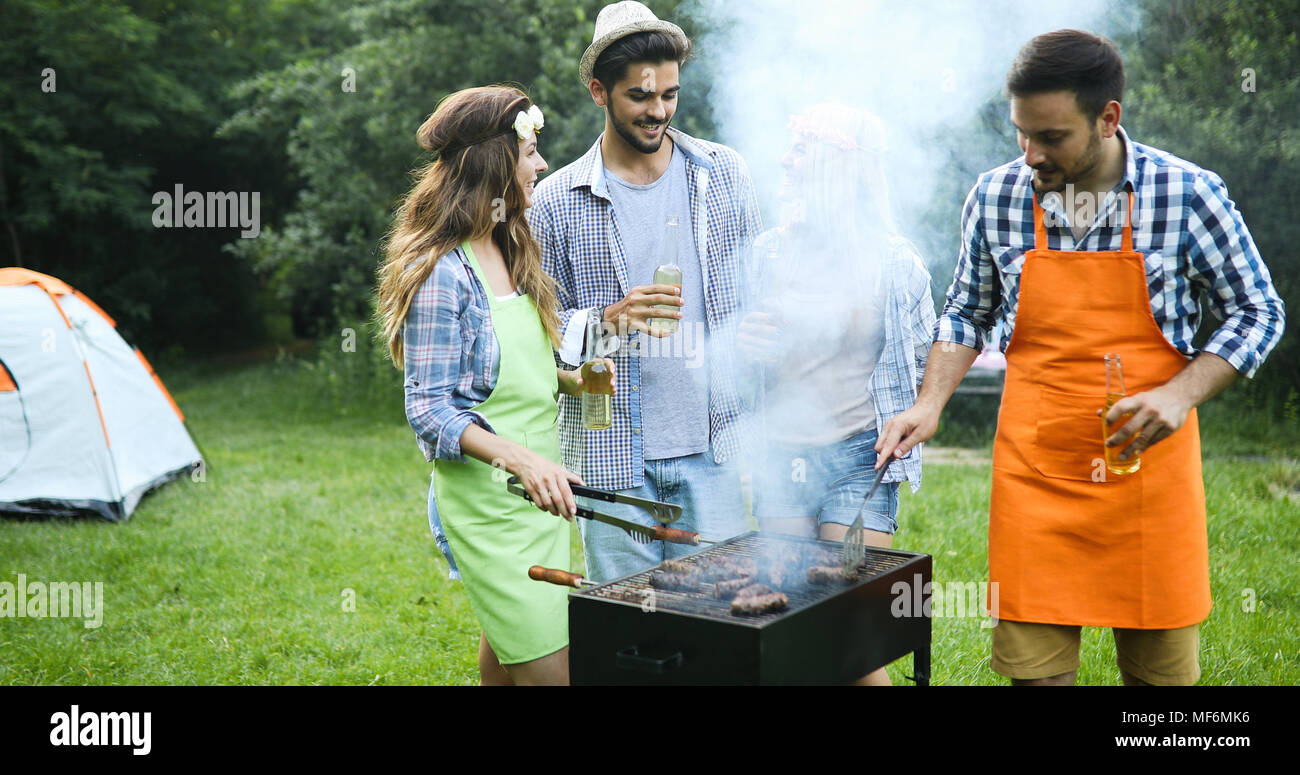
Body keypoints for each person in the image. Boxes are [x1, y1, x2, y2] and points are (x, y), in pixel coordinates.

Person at [875, 30, 1286, 686]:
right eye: (1020, 133)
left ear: (1108, 118)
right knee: (1035, 678)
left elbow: (1259, 311)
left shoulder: (1187, 193)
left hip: (1149, 475)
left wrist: (1178, 394)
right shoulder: (996, 196)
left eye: (1052, 137)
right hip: (1035, 478)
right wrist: (929, 401)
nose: (1031, 154)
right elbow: (966, 313)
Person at [376, 85, 613, 686]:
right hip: (489, 505)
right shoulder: (439, 272)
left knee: (509, 652)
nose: (540, 165)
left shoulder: (511, 245)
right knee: (548, 661)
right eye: (529, 152)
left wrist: (576, 381)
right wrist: (518, 457)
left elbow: (516, 379)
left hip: (537, 496)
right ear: (492, 162)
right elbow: (429, 408)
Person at [529, 1, 762, 582]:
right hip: (612, 460)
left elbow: (760, 291)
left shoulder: (722, 172)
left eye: (670, 95)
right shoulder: (555, 201)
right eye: (640, 97)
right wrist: (608, 318)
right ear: (598, 92)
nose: (658, 112)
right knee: (629, 633)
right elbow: (536, 336)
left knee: (717, 623)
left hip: (714, 449)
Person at [737, 104, 936, 686]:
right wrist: (746, 346)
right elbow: (738, 367)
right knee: (790, 621)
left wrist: (918, 412)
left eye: (800, 150)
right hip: (782, 457)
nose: (784, 160)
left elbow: (928, 360)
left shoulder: (894, 264)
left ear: (834, 167)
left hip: (859, 459)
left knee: (850, 636)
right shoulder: (765, 254)